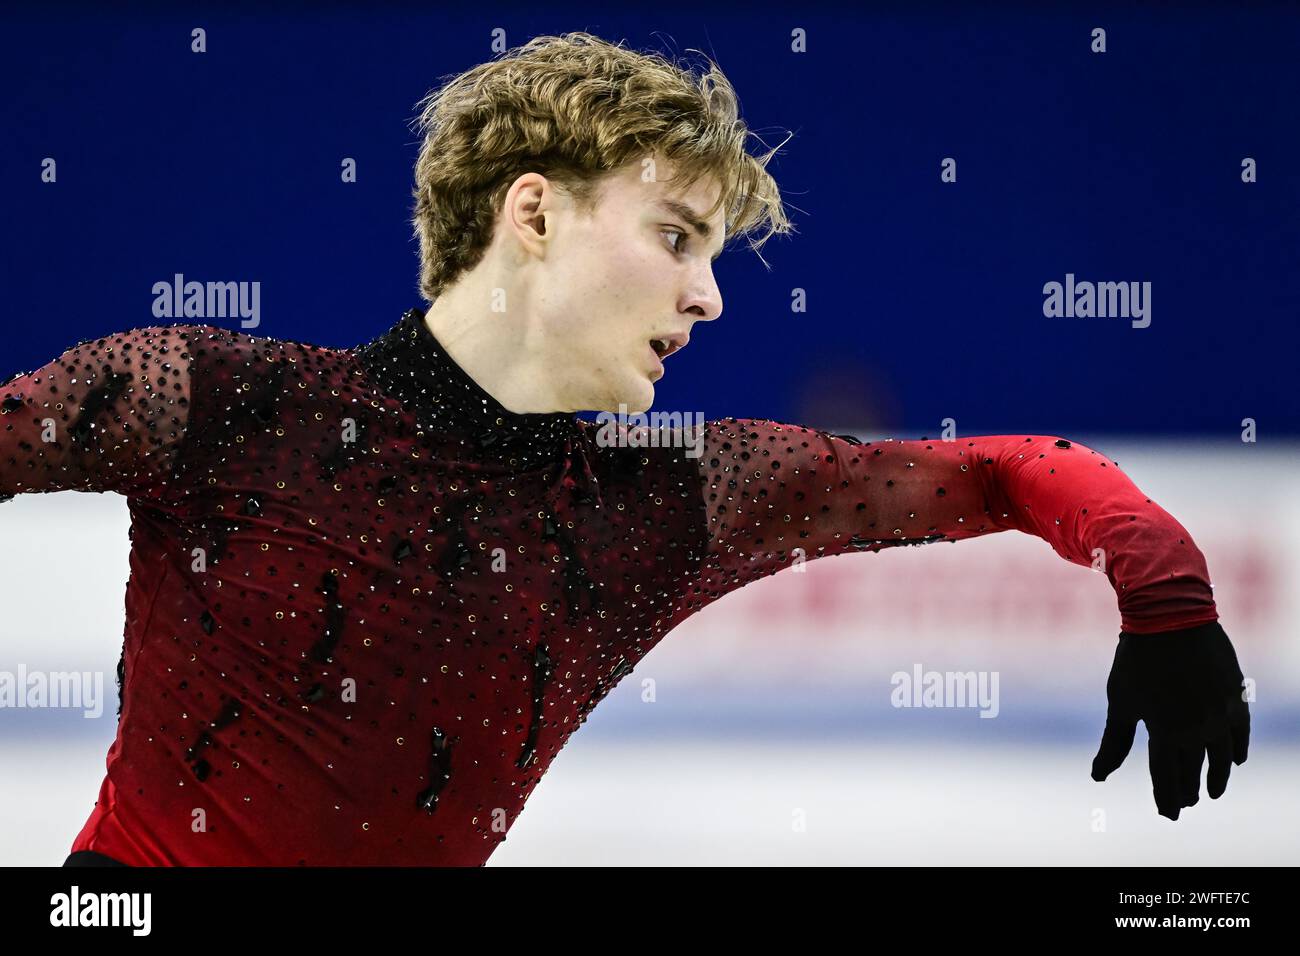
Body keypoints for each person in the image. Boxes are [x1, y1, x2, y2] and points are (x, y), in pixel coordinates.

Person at [1, 32, 1247, 867]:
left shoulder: (674, 501)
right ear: (532, 212)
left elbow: (1006, 466)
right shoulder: (212, 397)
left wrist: (1164, 593)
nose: (710, 298)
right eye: (676, 237)